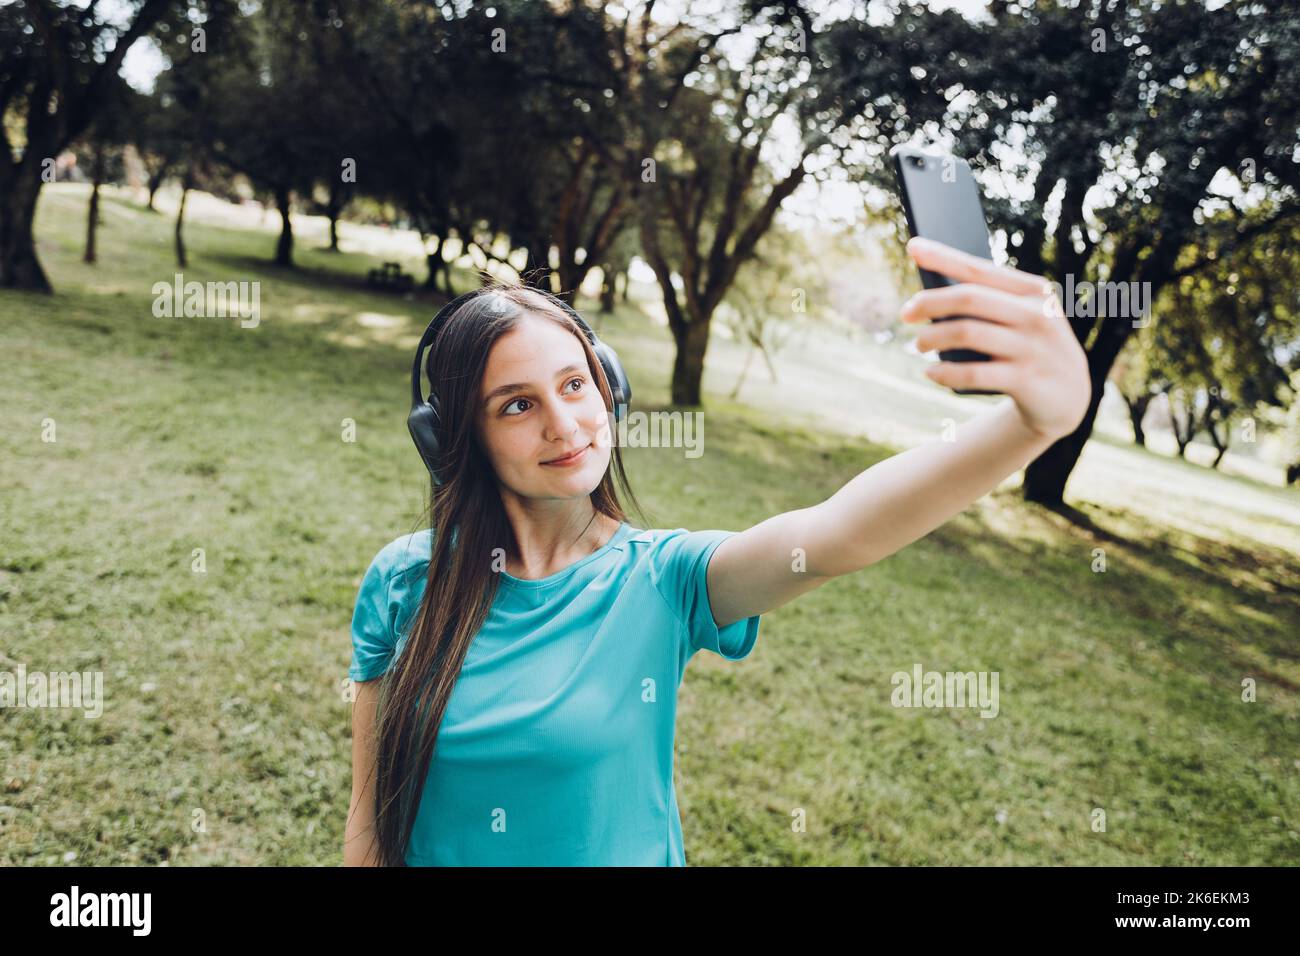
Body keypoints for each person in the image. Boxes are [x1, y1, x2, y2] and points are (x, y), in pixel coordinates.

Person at [343, 238, 1091, 866]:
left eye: (575, 384)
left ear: (609, 390)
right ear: (452, 439)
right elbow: (370, 821)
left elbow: (837, 536)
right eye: (517, 404)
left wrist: (1031, 426)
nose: (565, 424)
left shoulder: (663, 580)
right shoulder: (403, 580)